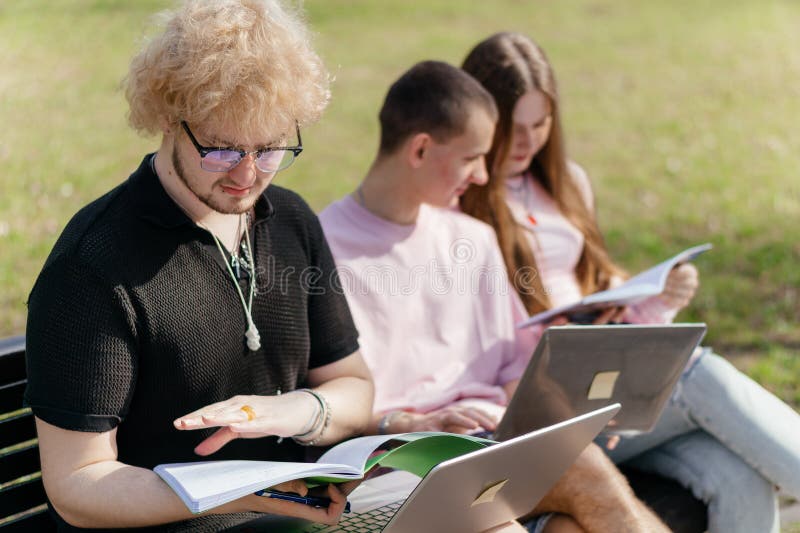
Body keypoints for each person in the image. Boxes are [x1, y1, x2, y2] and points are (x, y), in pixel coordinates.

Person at [23, 1, 374, 531]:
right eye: (223, 149)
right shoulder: (94, 266)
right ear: (168, 117)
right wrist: (240, 492)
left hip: (300, 519)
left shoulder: (292, 221)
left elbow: (355, 388)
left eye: (271, 148)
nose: (247, 176)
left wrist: (295, 412)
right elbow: (78, 484)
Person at [459, 31, 800, 533]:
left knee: (735, 477)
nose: (529, 141)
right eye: (515, 126)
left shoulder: (565, 183)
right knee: (696, 373)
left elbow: (598, 289)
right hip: (541, 406)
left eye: (541, 122)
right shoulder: (460, 205)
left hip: (603, 380)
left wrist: (656, 298)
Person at [320, 60, 670, 533]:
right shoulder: (323, 249)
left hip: (492, 446)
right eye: (472, 158)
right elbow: (327, 405)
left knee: (571, 509)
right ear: (420, 149)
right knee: (571, 477)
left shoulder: (474, 239)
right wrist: (409, 422)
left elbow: (511, 366)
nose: (484, 176)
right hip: (400, 465)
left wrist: (555, 422)